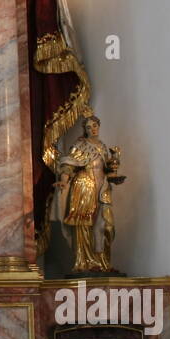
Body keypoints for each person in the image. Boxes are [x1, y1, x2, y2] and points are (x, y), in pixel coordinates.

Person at [53, 114, 123, 273]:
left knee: (107, 225)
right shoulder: (80, 145)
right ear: (84, 130)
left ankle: (103, 262)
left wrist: (114, 162)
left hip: (102, 188)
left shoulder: (103, 146)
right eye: (89, 127)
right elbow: (68, 164)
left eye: (95, 126)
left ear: (99, 126)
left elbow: (107, 168)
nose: (93, 129)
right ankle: (85, 262)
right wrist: (64, 181)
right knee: (84, 223)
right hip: (84, 186)